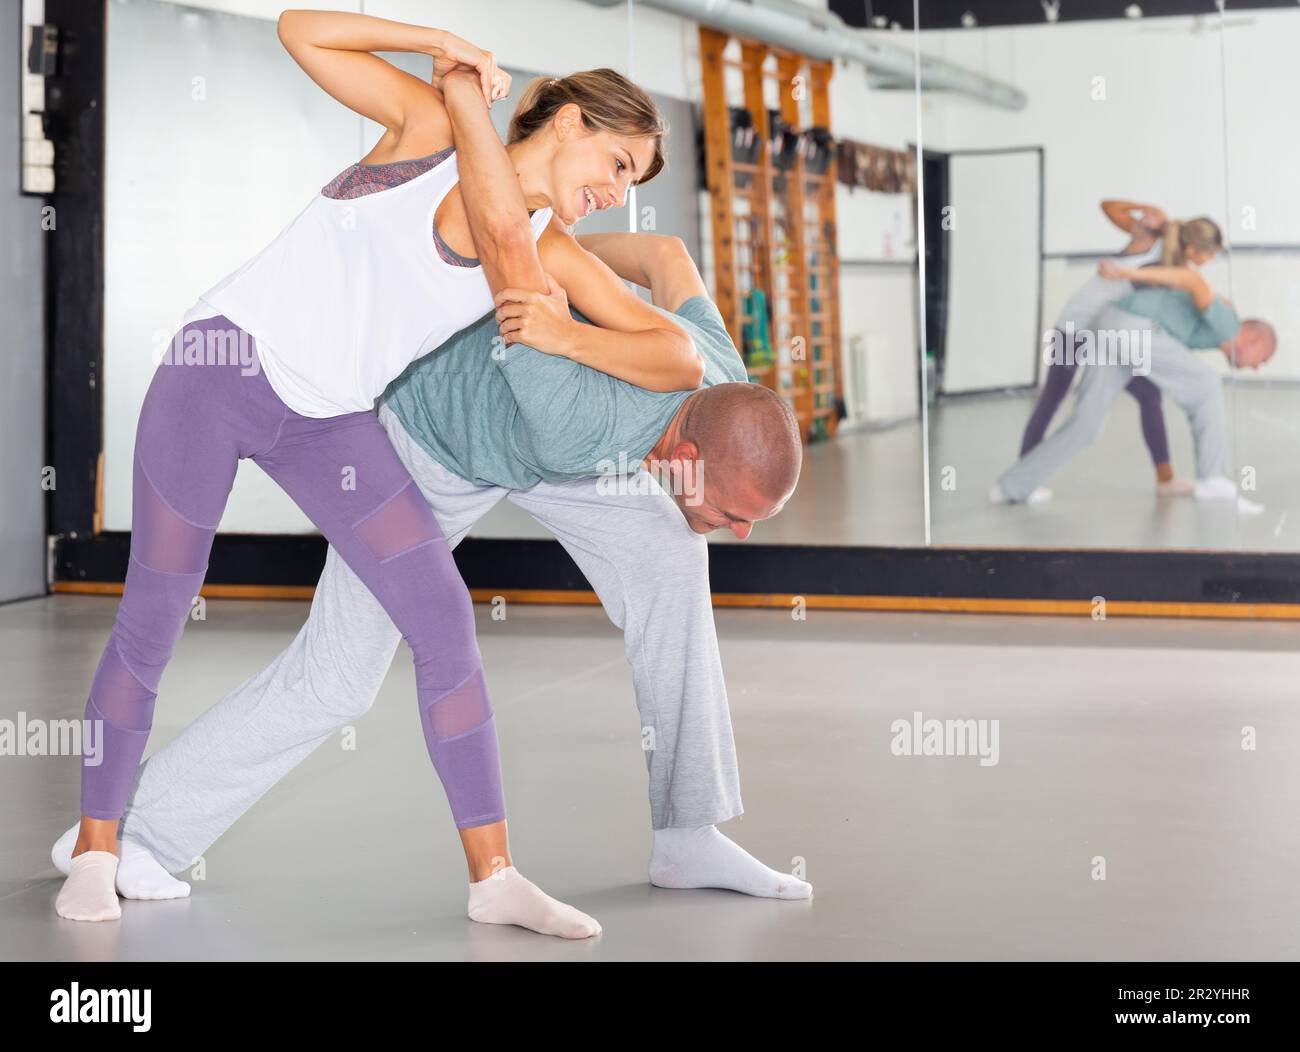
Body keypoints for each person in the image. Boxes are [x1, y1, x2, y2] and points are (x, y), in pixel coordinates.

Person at [56, 8, 697, 924]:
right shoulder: (433, 126)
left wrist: (563, 332)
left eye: (630, 181)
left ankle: (494, 878)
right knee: (154, 615)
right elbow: (299, 31)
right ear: (569, 122)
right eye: (618, 164)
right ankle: (95, 849)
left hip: (329, 423)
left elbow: (673, 355)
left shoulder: (545, 243)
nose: (617, 192)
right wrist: (439, 47)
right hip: (220, 373)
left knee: (443, 623)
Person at [51, 229, 813, 933]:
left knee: (675, 554)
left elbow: (668, 254)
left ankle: (688, 833)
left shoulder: (712, 371)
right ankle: (133, 828)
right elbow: (543, 360)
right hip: (436, 443)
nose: (742, 530)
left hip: (574, 450)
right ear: (683, 452)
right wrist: (547, 254)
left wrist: (577, 260)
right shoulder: (575, 415)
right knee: (337, 679)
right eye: (731, 510)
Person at [992, 255, 1276, 509]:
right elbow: (1192, 279)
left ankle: (1012, 486)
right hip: (1130, 326)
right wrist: (1130, 275)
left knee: (1087, 424)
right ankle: (1212, 477)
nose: (1257, 368)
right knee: (1207, 386)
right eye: (1262, 359)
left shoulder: (1214, 323)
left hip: (1109, 326)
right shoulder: (1229, 323)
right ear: (1254, 340)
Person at [1020, 202, 1225, 499]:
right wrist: (1147, 209)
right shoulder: (1148, 241)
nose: (1209, 261)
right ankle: (1024, 476)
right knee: (1053, 397)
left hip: (1110, 336)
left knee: (1150, 394)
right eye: (1209, 255)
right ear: (1194, 250)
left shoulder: (1176, 268)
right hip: (1074, 326)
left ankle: (1165, 479)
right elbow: (1108, 207)